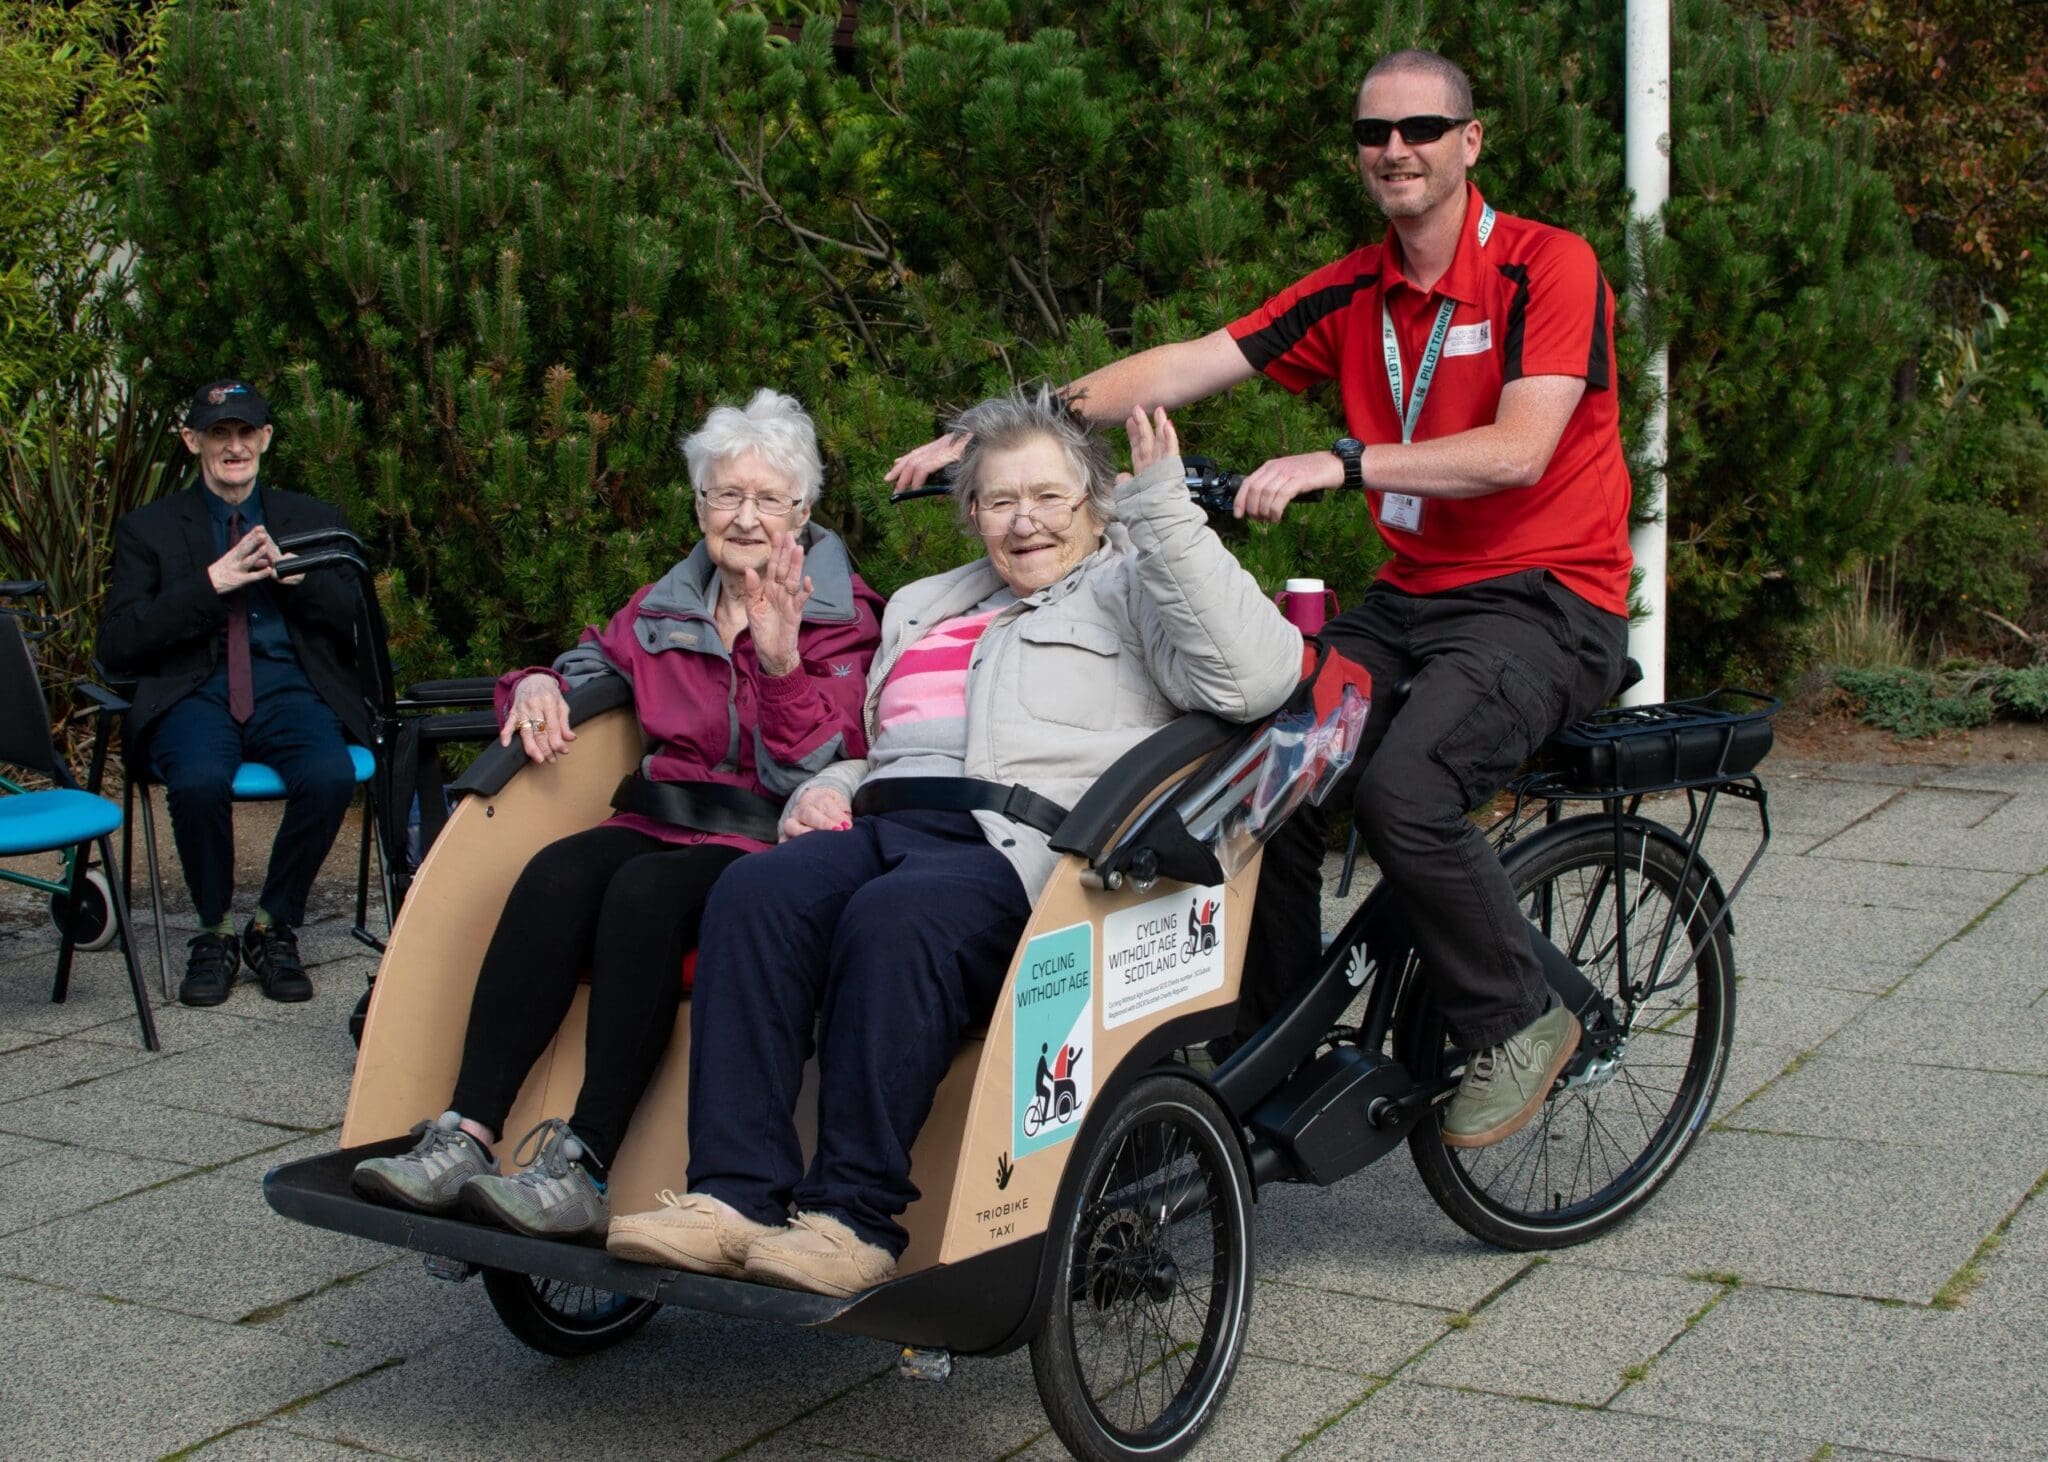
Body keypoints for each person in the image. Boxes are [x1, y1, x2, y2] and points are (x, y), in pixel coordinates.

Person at [886, 50, 1632, 1150]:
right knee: (1261, 770)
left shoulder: (1541, 267)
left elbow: (1519, 451)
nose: (1396, 149)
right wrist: (1004, 427)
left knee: (1402, 789)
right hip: (1413, 596)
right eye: (1374, 133)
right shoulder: (1353, 290)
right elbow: (1188, 365)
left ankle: (1519, 1017)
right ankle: (1272, 1038)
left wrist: (1347, 461)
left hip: (1544, 600)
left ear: (1468, 142)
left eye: (1422, 128)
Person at [603, 388, 1301, 1295]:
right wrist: (825, 786)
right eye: (1001, 500)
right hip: (891, 816)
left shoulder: (1137, 590)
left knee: (899, 921)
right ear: (970, 512)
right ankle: (733, 1196)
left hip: (1031, 852)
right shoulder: (926, 606)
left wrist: (1163, 511)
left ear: (1097, 499)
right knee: (754, 894)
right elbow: (878, 747)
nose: (1025, 522)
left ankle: (851, 1218)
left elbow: (1257, 678)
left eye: (1051, 497)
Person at [350, 389, 884, 1238]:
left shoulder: (844, 617)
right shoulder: (668, 603)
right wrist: (537, 683)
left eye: (768, 500)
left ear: (805, 511)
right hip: (659, 815)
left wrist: (781, 665)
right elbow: (591, 657)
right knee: (557, 873)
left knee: (644, 894)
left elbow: (828, 764)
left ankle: (583, 1161)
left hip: (766, 838)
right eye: (725, 495)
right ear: (700, 503)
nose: (744, 517)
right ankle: (466, 1132)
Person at [99, 380, 367, 1006]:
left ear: (265, 440)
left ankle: (273, 925)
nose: (235, 446)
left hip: (287, 688)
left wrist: (302, 580)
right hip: (197, 690)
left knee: (329, 774)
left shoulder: (314, 520)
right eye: (220, 434)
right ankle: (214, 932)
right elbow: (116, 642)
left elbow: (357, 624)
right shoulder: (149, 530)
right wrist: (208, 584)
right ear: (194, 441)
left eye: (246, 432)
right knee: (195, 781)